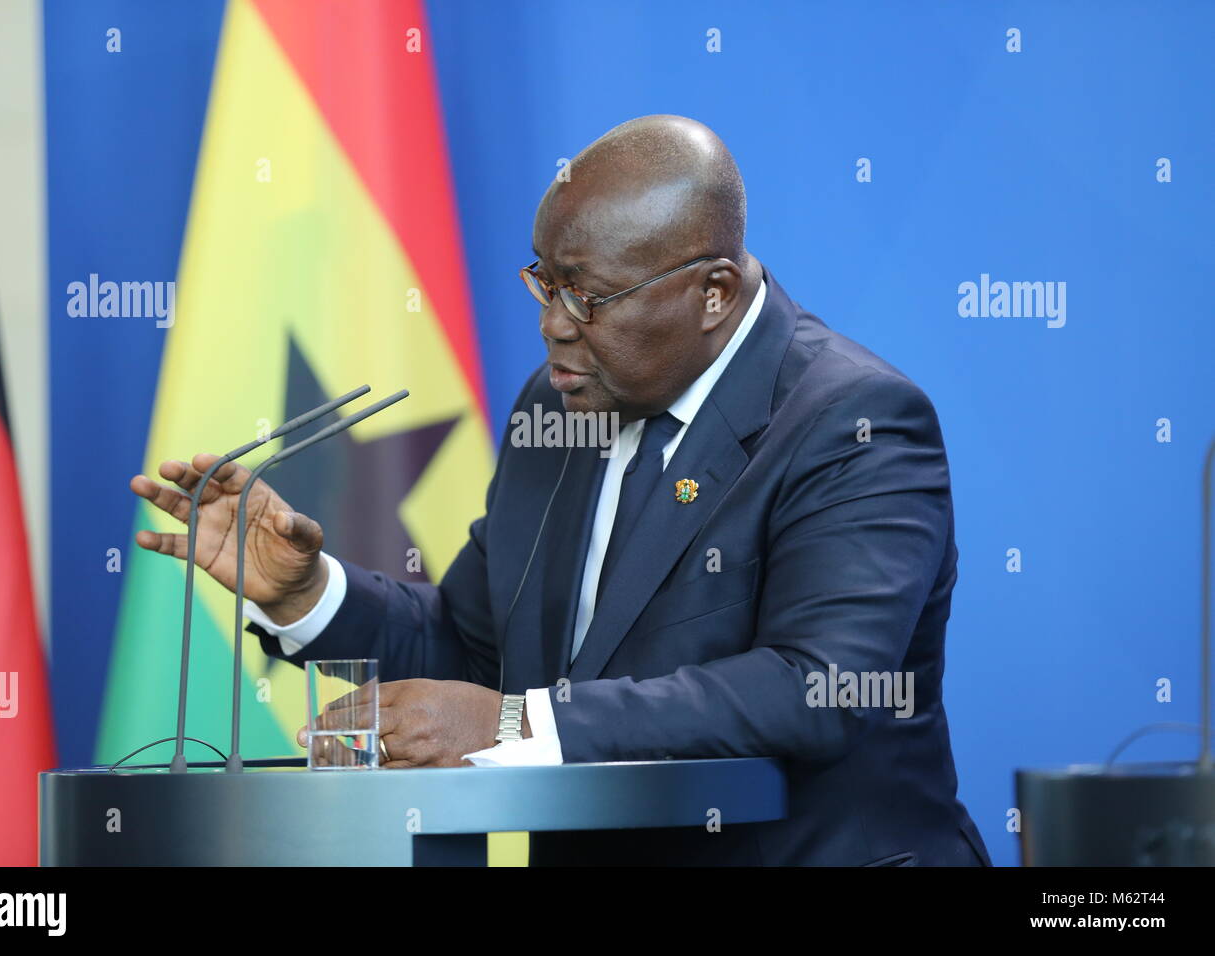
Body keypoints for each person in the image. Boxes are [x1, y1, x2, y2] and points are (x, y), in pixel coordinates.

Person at [131, 114, 990, 866]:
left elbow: (812, 687)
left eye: (587, 294)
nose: (552, 323)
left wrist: (514, 727)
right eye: (545, 281)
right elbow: (475, 649)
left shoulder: (853, 421)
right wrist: (309, 594)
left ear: (714, 294)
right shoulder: (560, 406)